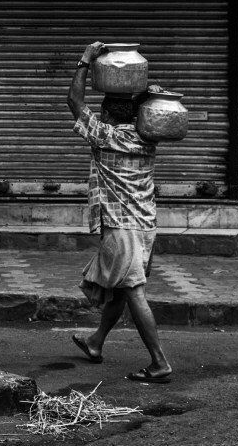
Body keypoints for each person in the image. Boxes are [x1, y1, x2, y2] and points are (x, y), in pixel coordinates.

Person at [67, 40, 172, 384]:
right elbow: (151, 111)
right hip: (146, 226)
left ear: (110, 116)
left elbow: (75, 102)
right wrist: (146, 94)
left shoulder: (106, 136)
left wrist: (85, 61)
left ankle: (159, 363)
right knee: (123, 288)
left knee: (134, 291)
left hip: (123, 226)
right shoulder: (148, 138)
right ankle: (96, 342)